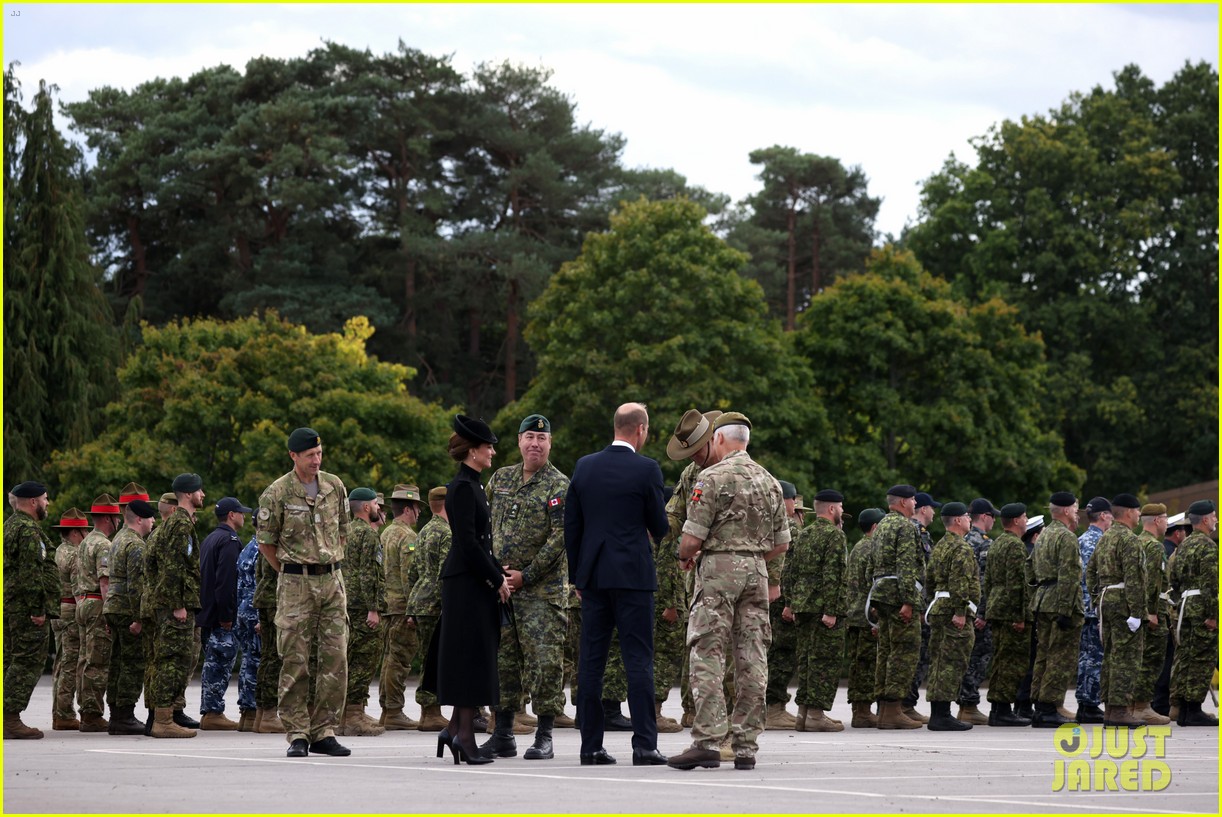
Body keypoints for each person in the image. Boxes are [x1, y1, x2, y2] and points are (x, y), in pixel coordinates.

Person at [668, 413, 789, 771]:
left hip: (718, 571)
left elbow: (690, 540)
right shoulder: (770, 481)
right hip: (756, 570)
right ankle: (746, 747)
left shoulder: (711, 477)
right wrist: (749, 554)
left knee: (707, 652)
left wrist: (687, 555)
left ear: (719, 439)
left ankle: (707, 739)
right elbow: (782, 544)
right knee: (753, 657)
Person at [565, 402, 668, 767]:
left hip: (593, 577)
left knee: (591, 661)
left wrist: (578, 576)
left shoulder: (584, 466)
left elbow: (572, 527)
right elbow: (659, 526)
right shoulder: (647, 469)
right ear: (640, 429)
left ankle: (590, 746)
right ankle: (644, 745)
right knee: (638, 659)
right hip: (633, 576)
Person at [256, 427, 352, 758]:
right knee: (295, 658)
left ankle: (324, 730)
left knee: (335, 657)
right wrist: (290, 571)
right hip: (295, 583)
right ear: (293, 456)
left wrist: (329, 562)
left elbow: (342, 530)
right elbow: (266, 543)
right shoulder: (277, 492)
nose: (317, 460)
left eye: (320, 453)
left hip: (331, 581)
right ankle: (297, 731)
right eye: (310, 455)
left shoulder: (334, 486)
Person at [422, 414, 511, 766]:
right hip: (465, 584)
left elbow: (481, 545)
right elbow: (468, 543)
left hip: (473, 581)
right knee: (468, 660)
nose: (492, 452)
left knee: (474, 658)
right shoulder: (461, 487)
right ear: (473, 451)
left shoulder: (472, 485)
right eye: (488, 447)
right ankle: (464, 737)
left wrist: (495, 571)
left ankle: (457, 732)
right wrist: (496, 579)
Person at [481, 414, 571, 762]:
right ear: (518, 441)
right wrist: (494, 573)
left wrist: (526, 575)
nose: (535, 443)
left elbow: (560, 538)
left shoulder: (559, 485)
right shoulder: (500, 478)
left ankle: (544, 735)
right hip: (501, 591)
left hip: (541, 594)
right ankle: (502, 732)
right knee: (503, 662)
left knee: (544, 663)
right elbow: (484, 524)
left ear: (550, 444)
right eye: (529, 436)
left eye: (542, 438)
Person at [143, 473, 206, 738]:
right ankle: (163, 720)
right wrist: (178, 604)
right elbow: (174, 567)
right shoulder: (180, 524)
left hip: (171, 602)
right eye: (200, 491)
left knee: (170, 660)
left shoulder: (176, 523)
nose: (203, 495)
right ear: (189, 494)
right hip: (175, 605)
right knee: (171, 660)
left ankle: (161, 718)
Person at [783, 487, 847, 732]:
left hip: (802, 606)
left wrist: (790, 603)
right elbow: (834, 575)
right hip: (823, 609)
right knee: (825, 661)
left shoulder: (804, 533)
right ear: (832, 509)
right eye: (840, 507)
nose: (841, 511)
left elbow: (789, 570)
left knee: (807, 659)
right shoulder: (834, 536)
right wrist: (832, 610)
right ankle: (816, 715)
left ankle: (804, 713)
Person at [1085, 493, 1146, 727]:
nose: (1139, 515)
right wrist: (1137, 612)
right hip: (1123, 602)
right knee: (1126, 658)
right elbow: (1135, 578)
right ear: (1129, 512)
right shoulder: (1129, 540)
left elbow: (1090, 571)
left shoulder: (1106, 537)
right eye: (1137, 511)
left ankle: (1110, 709)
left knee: (1110, 656)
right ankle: (1119, 710)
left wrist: (1096, 597)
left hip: (1107, 599)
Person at [3, 481, 57, 739]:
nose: (48, 504)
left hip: (13, 605)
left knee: (10, 660)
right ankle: (10, 717)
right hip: (26, 609)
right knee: (27, 661)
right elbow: (31, 573)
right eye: (45, 499)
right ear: (33, 502)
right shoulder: (26, 530)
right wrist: (38, 608)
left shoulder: (10, 525)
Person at [870, 484, 925, 729]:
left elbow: (873, 563)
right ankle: (893, 709)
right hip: (897, 595)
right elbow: (905, 565)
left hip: (881, 593)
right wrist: (909, 600)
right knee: (904, 652)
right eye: (913, 500)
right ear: (903, 502)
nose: (915, 504)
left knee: (886, 651)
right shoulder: (904, 526)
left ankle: (884, 708)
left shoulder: (881, 525)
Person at [198, 496, 253, 730]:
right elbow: (227, 581)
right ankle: (212, 712)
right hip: (221, 614)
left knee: (213, 660)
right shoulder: (229, 540)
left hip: (207, 611)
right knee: (219, 662)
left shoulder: (211, 538)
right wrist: (228, 615)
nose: (243, 516)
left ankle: (211, 710)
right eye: (240, 512)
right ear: (232, 515)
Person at [103, 495, 156, 735]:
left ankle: (116, 712)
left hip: (113, 607)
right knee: (132, 663)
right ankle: (124, 715)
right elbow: (136, 585)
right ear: (140, 519)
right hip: (127, 609)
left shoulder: (117, 539)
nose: (154, 521)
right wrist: (139, 618)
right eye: (151, 517)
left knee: (117, 662)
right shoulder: (135, 544)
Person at [1028, 492, 1083, 727]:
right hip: (1061, 601)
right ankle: (1049, 707)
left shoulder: (1043, 535)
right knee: (1060, 657)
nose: (1077, 513)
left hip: (1043, 599)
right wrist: (1065, 608)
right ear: (1067, 511)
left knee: (1044, 655)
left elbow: (1029, 569)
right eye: (1076, 509)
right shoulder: (1066, 537)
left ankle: (1041, 705)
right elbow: (1069, 575)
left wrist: (1038, 594)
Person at [924, 502, 979, 732]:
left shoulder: (939, 545)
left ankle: (939, 713)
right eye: (967, 516)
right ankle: (942, 715)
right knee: (952, 663)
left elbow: (929, 579)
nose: (970, 520)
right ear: (957, 520)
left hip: (939, 607)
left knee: (938, 662)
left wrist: (933, 603)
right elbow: (959, 582)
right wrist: (959, 611)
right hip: (953, 611)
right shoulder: (961, 548)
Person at [339, 487, 386, 737]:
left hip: (347, 603)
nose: (379, 509)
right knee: (362, 661)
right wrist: (374, 608)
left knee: (349, 658)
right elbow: (370, 573)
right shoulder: (368, 534)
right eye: (377, 504)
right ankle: (352, 716)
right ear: (366, 507)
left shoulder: (345, 531)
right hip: (362, 607)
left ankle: (349, 712)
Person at [1167, 499, 1219, 727]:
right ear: (1206, 519)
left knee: (1187, 658)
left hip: (1186, 608)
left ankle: (1186, 709)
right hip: (1201, 609)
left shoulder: (1184, 546)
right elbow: (1212, 584)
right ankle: (1194, 708)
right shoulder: (1208, 546)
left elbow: (1174, 581)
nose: (1216, 520)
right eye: (1214, 516)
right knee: (1202, 659)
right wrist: (1214, 615)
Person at [405, 486, 452, 732]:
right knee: (437, 660)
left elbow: (413, 572)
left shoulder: (423, 531)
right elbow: (447, 574)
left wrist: (411, 607)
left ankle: (427, 711)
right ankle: (431, 712)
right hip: (436, 604)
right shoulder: (446, 532)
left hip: (421, 601)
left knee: (427, 658)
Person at [379, 483, 425, 730]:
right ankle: (394, 710)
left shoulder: (385, 533)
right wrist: (413, 609)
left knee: (390, 658)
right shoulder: (408, 537)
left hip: (387, 605)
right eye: (417, 508)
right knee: (400, 660)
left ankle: (388, 709)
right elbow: (410, 576)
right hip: (401, 607)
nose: (419, 513)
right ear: (409, 509)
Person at [982, 503, 1033, 726]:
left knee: (1001, 659)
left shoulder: (997, 543)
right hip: (1010, 611)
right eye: (1024, 516)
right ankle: (1002, 710)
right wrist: (1019, 616)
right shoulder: (1014, 546)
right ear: (1015, 521)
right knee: (1012, 662)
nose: (1026, 519)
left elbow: (989, 581)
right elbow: (1017, 585)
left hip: (997, 607)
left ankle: (998, 709)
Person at [955, 497, 997, 726]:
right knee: (979, 657)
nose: (994, 522)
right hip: (975, 611)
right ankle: (969, 705)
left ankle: (966, 704)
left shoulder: (961, 538)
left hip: (962, 608)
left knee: (965, 657)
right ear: (985, 517)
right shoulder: (982, 542)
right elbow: (982, 580)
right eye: (992, 517)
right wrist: (981, 612)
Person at [765, 479, 802, 730]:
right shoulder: (788, 525)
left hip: (759, 595)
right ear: (787, 500)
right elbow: (797, 569)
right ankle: (774, 708)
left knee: (764, 653)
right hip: (782, 599)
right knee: (782, 654)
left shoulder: (758, 521)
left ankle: (766, 706)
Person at [900, 491, 939, 725]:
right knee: (915, 655)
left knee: (919, 655)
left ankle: (907, 702)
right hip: (918, 602)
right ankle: (905, 703)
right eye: (931, 507)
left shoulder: (920, 532)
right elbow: (918, 570)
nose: (934, 511)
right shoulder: (914, 531)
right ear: (923, 509)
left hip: (921, 602)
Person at [1133, 502, 1172, 725]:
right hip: (1153, 610)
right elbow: (1153, 584)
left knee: (1139, 658)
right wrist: (1152, 612)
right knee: (1152, 659)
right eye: (1165, 519)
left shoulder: (1137, 542)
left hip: (1137, 610)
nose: (1167, 523)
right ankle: (1142, 706)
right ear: (1157, 520)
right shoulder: (1155, 547)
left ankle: (1134, 704)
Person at [1074, 496, 1112, 724]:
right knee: (1093, 658)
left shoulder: (1080, 540)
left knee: (1087, 656)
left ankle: (1087, 703)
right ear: (1104, 515)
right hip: (1094, 607)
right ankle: (1088, 705)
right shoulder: (1100, 542)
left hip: (1084, 606)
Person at [845, 508, 884, 728]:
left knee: (858, 663)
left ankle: (859, 709)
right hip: (868, 615)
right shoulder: (873, 548)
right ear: (876, 527)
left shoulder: (859, 546)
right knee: (868, 664)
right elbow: (874, 585)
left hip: (855, 613)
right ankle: (863, 712)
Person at [51, 507, 89, 731]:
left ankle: (59, 711)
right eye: (84, 531)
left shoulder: (58, 551)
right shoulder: (74, 555)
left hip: (58, 608)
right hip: (71, 608)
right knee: (71, 663)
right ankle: (64, 713)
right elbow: (78, 588)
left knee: (61, 661)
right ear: (76, 532)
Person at [1152, 512, 1193, 717]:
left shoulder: (1165, 549)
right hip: (1168, 612)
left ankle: (1160, 701)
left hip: (1166, 611)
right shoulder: (1169, 553)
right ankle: (1161, 702)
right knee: (1167, 659)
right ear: (1178, 533)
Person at [234, 534, 261, 731]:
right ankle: (252, 711)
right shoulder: (262, 550)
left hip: (243, 608)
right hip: (255, 610)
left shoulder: (247, 548)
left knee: (248, 659)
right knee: (256, 661)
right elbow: (261, 585)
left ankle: (246, 713)